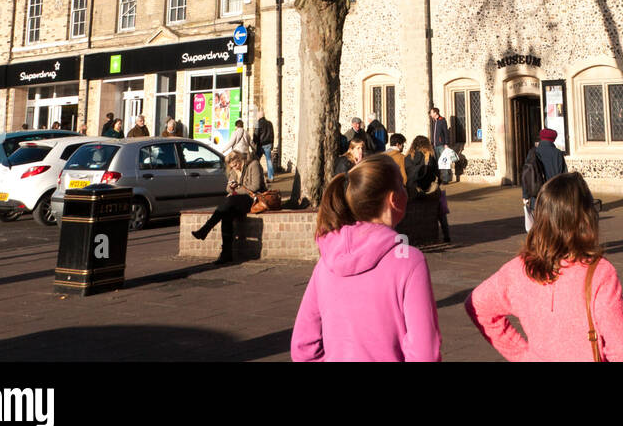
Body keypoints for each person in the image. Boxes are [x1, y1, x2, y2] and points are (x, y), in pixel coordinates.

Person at [467, 172, 623, 361]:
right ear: (585, 219)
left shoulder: (519, 269)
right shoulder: (600, 273)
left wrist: (524, 356)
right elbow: (622, 348)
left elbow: (478, 304)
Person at [290, 154, 441, 361]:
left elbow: (303, 346)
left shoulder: (326, 262)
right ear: (393, 199)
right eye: (403, 185)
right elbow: (425, 353)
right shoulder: (409, 261)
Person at [191, 151, 265, 265]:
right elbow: (228, 189)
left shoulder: (253, 164)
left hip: (253, 199)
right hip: (238, 200)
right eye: (232, 166)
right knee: (226, 214)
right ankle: (226, 254)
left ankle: (205, 230)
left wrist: (235, 191)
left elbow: (255, 186)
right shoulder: (233, 171)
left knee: (228, 201)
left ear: (241, 159)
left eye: (236, 165)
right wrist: (232, 187)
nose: (235, 168)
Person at [521, 129, 567, 233]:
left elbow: (526, 175)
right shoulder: (558, 154)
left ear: (541, 138)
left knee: (538, 226)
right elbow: (564, 176)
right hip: (554, 195)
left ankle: (541, 246)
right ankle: (553, 246)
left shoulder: (533, 152)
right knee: (553, 226)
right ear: (553, 139)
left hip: (537, 196)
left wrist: (525, 195)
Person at [406, 135, 450, 242]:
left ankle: (414, 236)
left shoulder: (407, 157)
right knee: (440, 212)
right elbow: (436, 174)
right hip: (429, 189)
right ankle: (446, 235)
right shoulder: (429, 156)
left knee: (413, 214)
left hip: (413, 190)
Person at [253, 109, 275, 180]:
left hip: (260, 145)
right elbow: (272, 134)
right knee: (269, 160)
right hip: (268, 144)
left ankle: (257, 176)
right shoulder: (269, 123)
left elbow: (256, 135)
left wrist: (254, 143)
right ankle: (271, 177)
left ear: (259, 116)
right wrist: (272, 144)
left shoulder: (258, 124)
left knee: (256, 160)